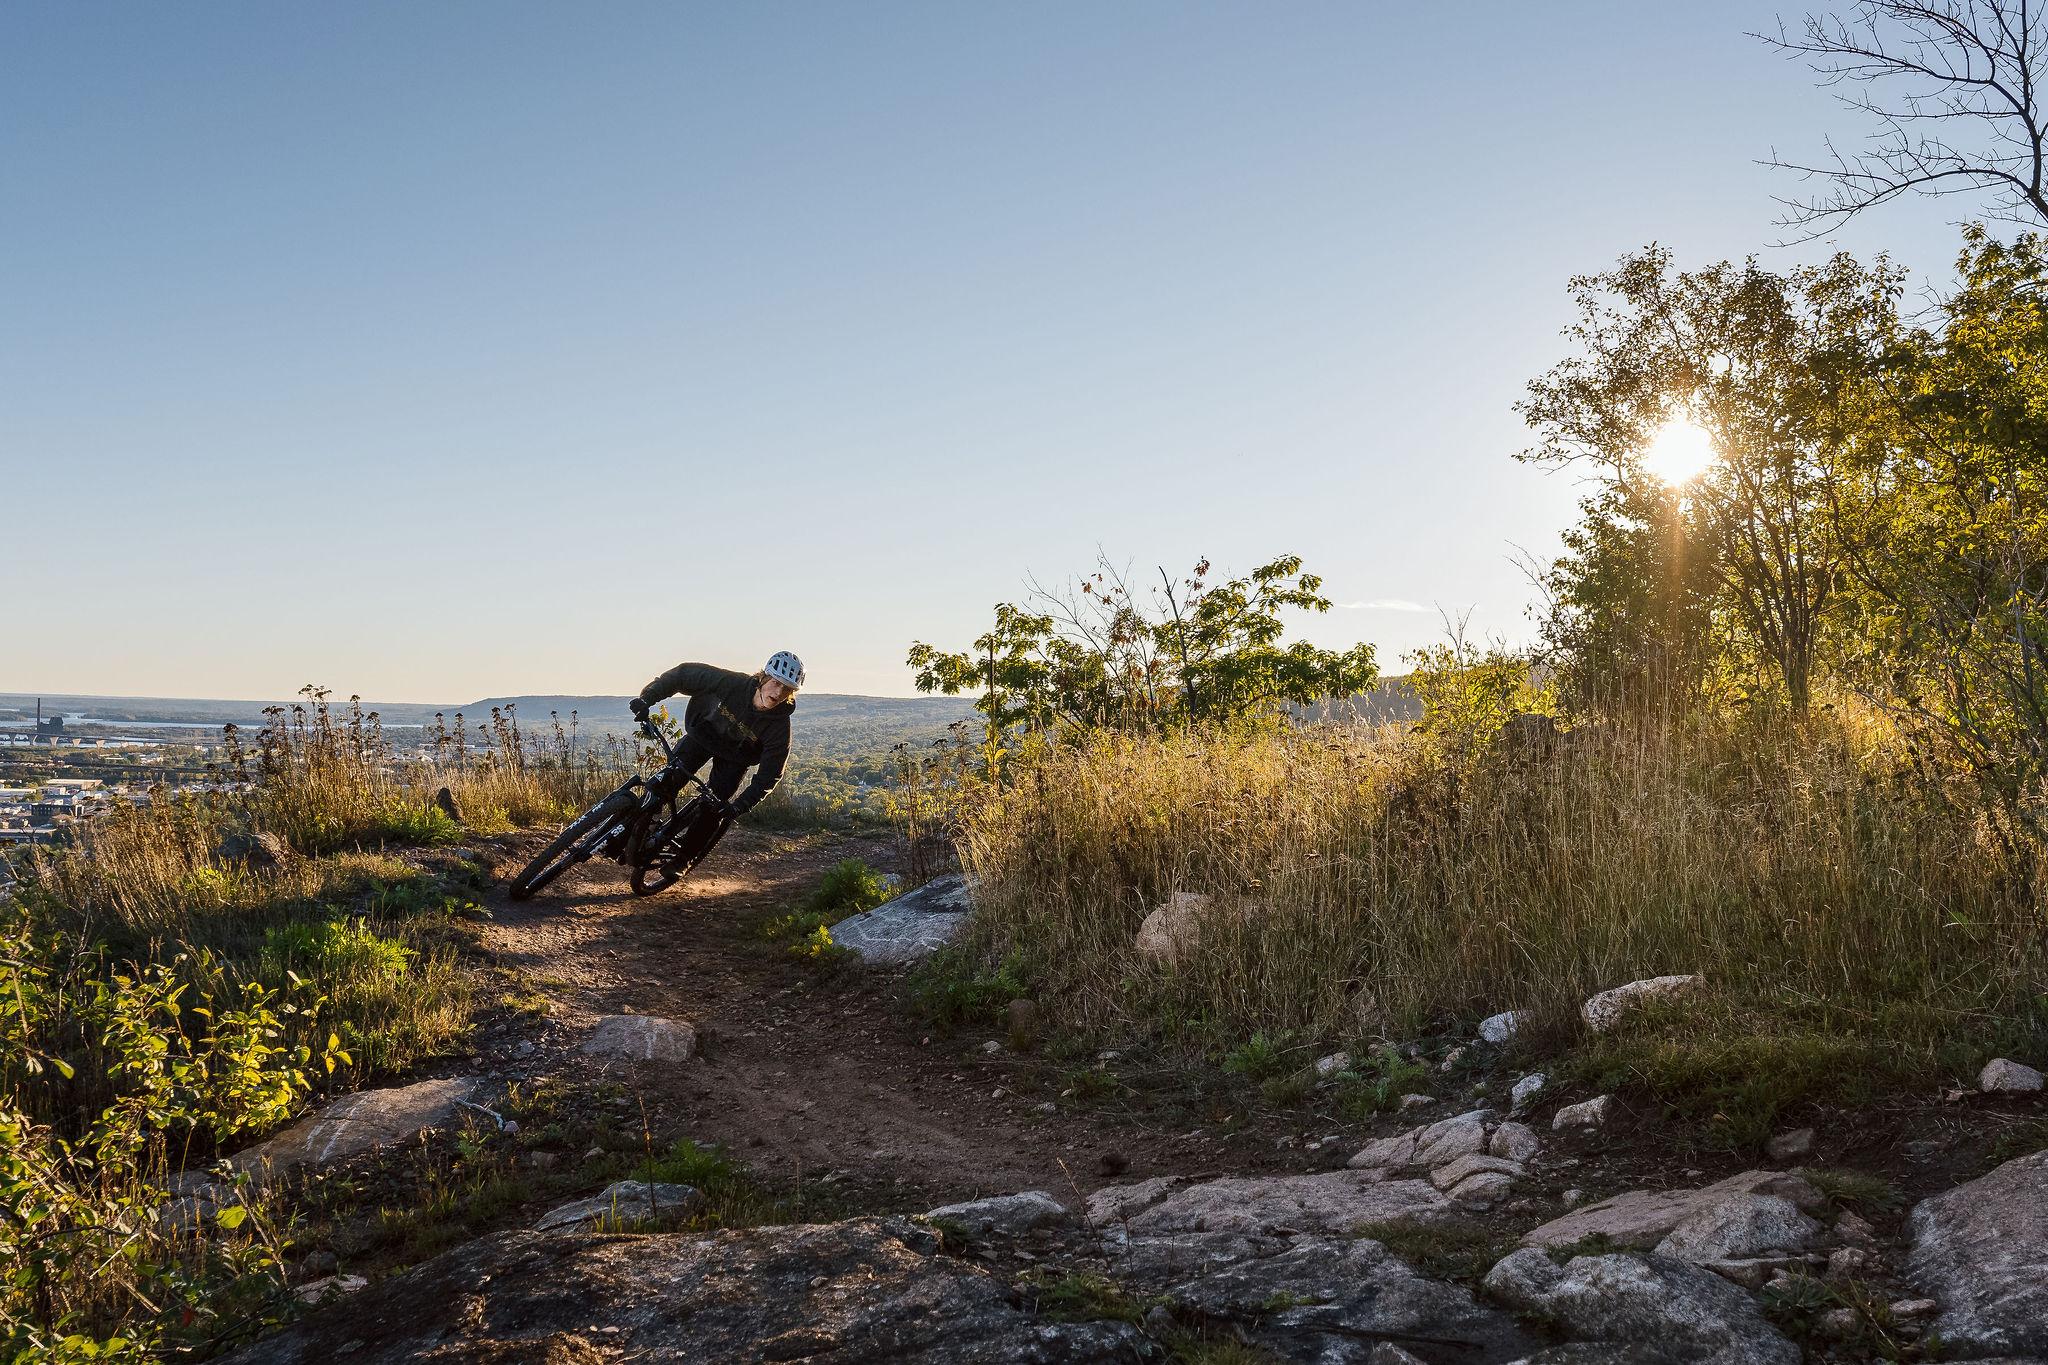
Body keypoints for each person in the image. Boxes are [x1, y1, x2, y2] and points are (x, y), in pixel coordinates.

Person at [628, 651, 803, 819]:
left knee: (712, 811)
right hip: (702, 736)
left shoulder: (779, 727)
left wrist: (740, 806)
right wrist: (647, 698)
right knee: (665, 784)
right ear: (763, 677)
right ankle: (644, 822)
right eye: (776, 683)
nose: (779, 693)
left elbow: (771, 774)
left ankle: (694, 840)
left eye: (787, 689)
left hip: (735, 758)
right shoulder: (731, 683)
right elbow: (682, 675)